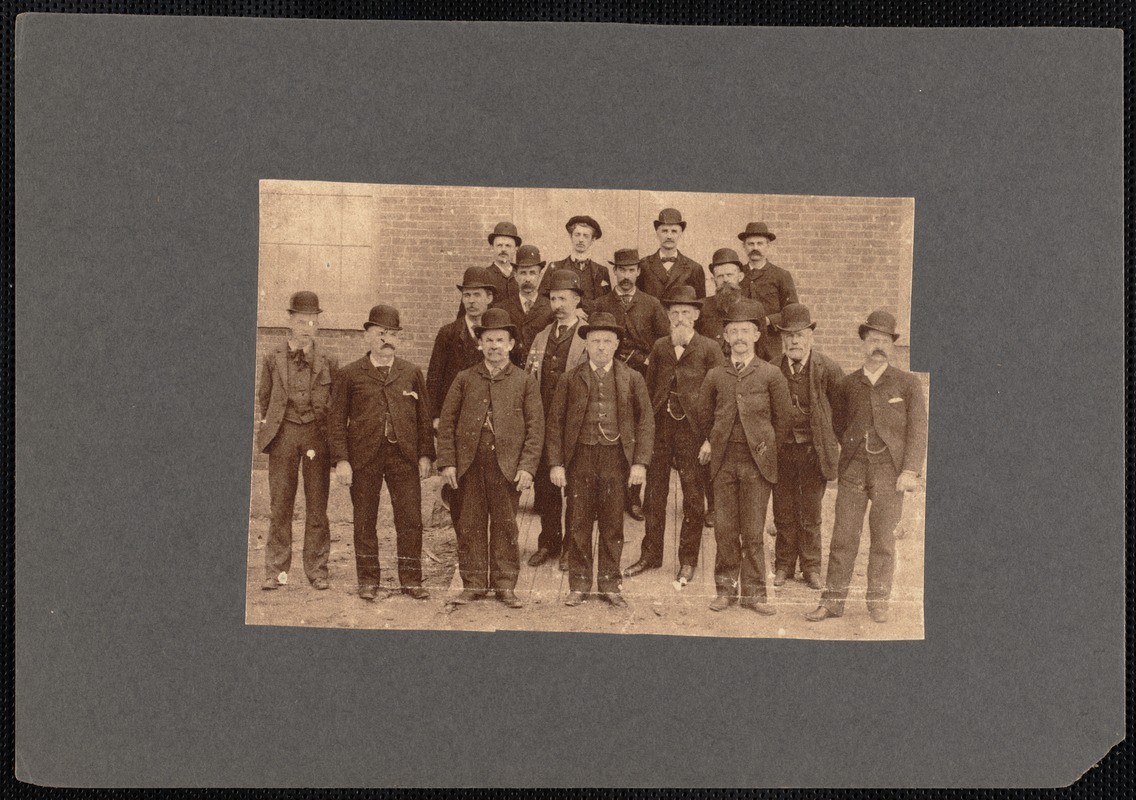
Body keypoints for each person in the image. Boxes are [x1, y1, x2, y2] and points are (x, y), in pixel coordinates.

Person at [806, 310, 927, 624]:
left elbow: (918, 430)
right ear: (864, 343)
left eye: (885, 341)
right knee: (843, 537)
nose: (878, 346)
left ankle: (878, 602)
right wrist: (852, 451)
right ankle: (832, 602)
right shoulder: (847, 384)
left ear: (892, 346)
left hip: (890, 471)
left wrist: (910, 470)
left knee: (884, 539)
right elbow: (839, 424)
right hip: (854, 469)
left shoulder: (907, 384)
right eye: (873, 339)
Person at [436, 308, 544, 608]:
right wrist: (447, 462)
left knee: (505, 526)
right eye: (488, 340)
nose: (494, 346)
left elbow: (536, 428)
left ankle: (505, 585)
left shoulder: (524, 381)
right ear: (479, 344)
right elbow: (447, 423)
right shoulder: (464, 379)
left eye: (500, 340)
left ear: (511, 344)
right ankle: (473, 583)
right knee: (469, 524)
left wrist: (527, 467)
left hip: (506, 467)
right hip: (469, 465)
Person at [329, 305, 435, 601]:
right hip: (364, 457)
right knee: (365, 520)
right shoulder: (349, 374)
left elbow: (424, 418)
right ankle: (367, 580)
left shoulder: (411, 372)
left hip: (403, 456)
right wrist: (342, 460)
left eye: (392, 334)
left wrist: (425, 454)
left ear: (399, 338)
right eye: (380, 333)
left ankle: (411, 580)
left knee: (410, 520)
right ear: (367, 335)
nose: (386, 339)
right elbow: (335, 420)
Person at [547, 312, 653, 608]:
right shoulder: (570, 379)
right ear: (587, 344)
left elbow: (646, 422)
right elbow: (555, 423)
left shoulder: (632, 378)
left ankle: (610, 584)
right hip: (580, 457)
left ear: (617, 344)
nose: (601, 347)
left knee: (612, 524)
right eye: (595, 341)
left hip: (615, 459)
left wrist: (639, 463)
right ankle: (579, 585)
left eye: (607, 341)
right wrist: (556, 463)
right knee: (578, 522)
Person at [697, 299, 791, 615]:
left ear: (756, 335)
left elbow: (783, 419)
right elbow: (703, 415)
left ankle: (754, 594)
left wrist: (765, 448)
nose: (739, 337)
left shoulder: (771, 374)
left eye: (745, 331)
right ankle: (725, 590)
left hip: (756, 465)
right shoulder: (715, 375)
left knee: (752, 532)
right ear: (725, 336)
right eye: (733, 331)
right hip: (723, 462)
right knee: (724, 530)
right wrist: (714, 440)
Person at [625, 285, 723, 582]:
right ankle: (651, 554)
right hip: (661, 429)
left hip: (693, 432)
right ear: (668, 316)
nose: (680, 318)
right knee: (654, 495)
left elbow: (721, 397)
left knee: (693, 498)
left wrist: (710, 438)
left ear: (696, 316)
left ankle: (688, 560)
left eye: (686, 312)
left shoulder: (710, 348)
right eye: (675, 312)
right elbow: (650, 389)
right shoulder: (660, 347)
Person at [255, 290, 338, 591]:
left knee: (317, 505)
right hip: (284, 434)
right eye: (301, 321)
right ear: (290, 321)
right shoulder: (273, 358)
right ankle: (275, 570)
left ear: (318, 324)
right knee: (280, 504)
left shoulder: (329, 360)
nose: (306, 327)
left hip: (317, 434)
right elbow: (265, 398)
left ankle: (317, 570)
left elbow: (334, 403)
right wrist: (278, 425)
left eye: (312, 321)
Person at [769, 304, 844, 591]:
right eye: (789, 336)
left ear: (810, 336)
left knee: (811, 512)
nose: (794, 341)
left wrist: (831, 443)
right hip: (782, 452)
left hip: (814, 452)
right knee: (783, 510)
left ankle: (811, 567)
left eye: (799, 335)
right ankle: (784, 565)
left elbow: (841, 412)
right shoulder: (772, 368)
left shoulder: (828, 369)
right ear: (782, 339)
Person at [593, 247, 670, 521]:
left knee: (636, 433)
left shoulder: (651, 304)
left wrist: (648, 360)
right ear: (614, 272)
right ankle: (604, 497)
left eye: (631, 270)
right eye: (621, 270)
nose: (626, 276)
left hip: (640, 378)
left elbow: (664, 342)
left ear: (638, 272)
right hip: (608, 375)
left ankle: (633, 497)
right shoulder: (601, 304)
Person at [524, 269, 589, 571]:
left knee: (575, 490)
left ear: (577, 301)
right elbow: (529, 379)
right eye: (553, 299)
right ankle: (549, 541)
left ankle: (572, 548)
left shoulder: (588, 337)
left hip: (575, 426)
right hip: (544, 424)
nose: (558, 305)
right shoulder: (541, 337)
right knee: (545, 488)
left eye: (564, 299)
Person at [427, 267, 497, 530]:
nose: (471, 301)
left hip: (489, 421)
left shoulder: (498, 333)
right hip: (456, 420)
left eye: (477, 295)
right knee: (457, 482)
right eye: (467, 295)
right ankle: (463, 539)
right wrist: (435, 417)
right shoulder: (448, 334)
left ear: (489, 298)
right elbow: (434, 378)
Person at [737, 222, 799, 362]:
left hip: (770, 344)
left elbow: (792, 311)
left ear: (768, 245)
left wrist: (768, 320)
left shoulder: (781, 275)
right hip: (742, 342)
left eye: (760, 243)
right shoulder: (737, 274)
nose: (755, 248)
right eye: (750, 244)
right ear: (744, 246)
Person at [538, 214, 611, 316]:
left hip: (592, 322)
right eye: (577, 234)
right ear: (571, 236)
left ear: (593, 240)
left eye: (586, 236)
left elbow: (607, 302)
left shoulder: (602, 270)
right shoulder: (555, 267)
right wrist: (570, 313)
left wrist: (587, 311)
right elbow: (542, 301)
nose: (581, 239)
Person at [497, 244, 553, 367]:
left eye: (532, 273)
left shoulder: (550, 308)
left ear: (540, 276)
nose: (527, 279)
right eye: (523, 273)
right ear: (515, 276)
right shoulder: (503, 309)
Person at [454, 221, 522, 317]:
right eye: (499, 245)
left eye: (508, 246)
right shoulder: (482, 276)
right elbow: (464, 315)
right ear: (492, 247)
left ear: (516, 248)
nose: (503, 249)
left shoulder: (521, 276)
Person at [637, 207, 707, 300]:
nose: (669, 236)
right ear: (657, 233)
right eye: (664, 231)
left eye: (674, 231)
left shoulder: (694, 269)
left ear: (681, 234)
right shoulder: (643, 265)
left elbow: (700, 304)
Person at [696, 247, 749, 358]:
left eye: (729, 275)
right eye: (720, 276)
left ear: (740, 277)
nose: (725, 280)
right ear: (713, 280)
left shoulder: (754, 307)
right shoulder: (702, 306)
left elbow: (760, 349)